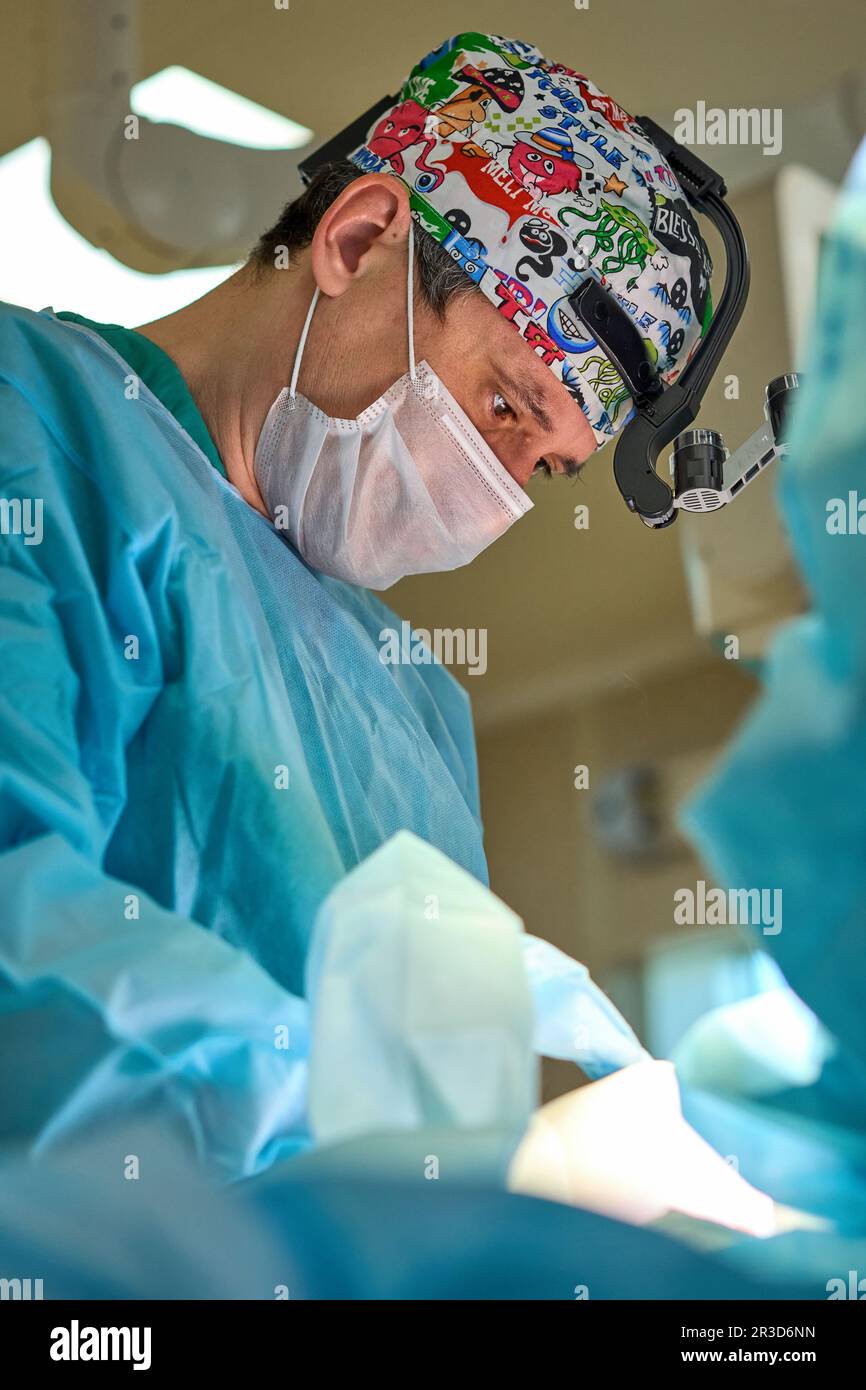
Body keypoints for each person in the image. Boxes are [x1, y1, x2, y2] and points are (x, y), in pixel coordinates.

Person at [0, 33, 711, 1177]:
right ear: (358, 237)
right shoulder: (30, 434)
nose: (497, 494)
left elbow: (429, 1108)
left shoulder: (405, 699)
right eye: (502, 407)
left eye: (544, 469)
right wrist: (447, 1156)